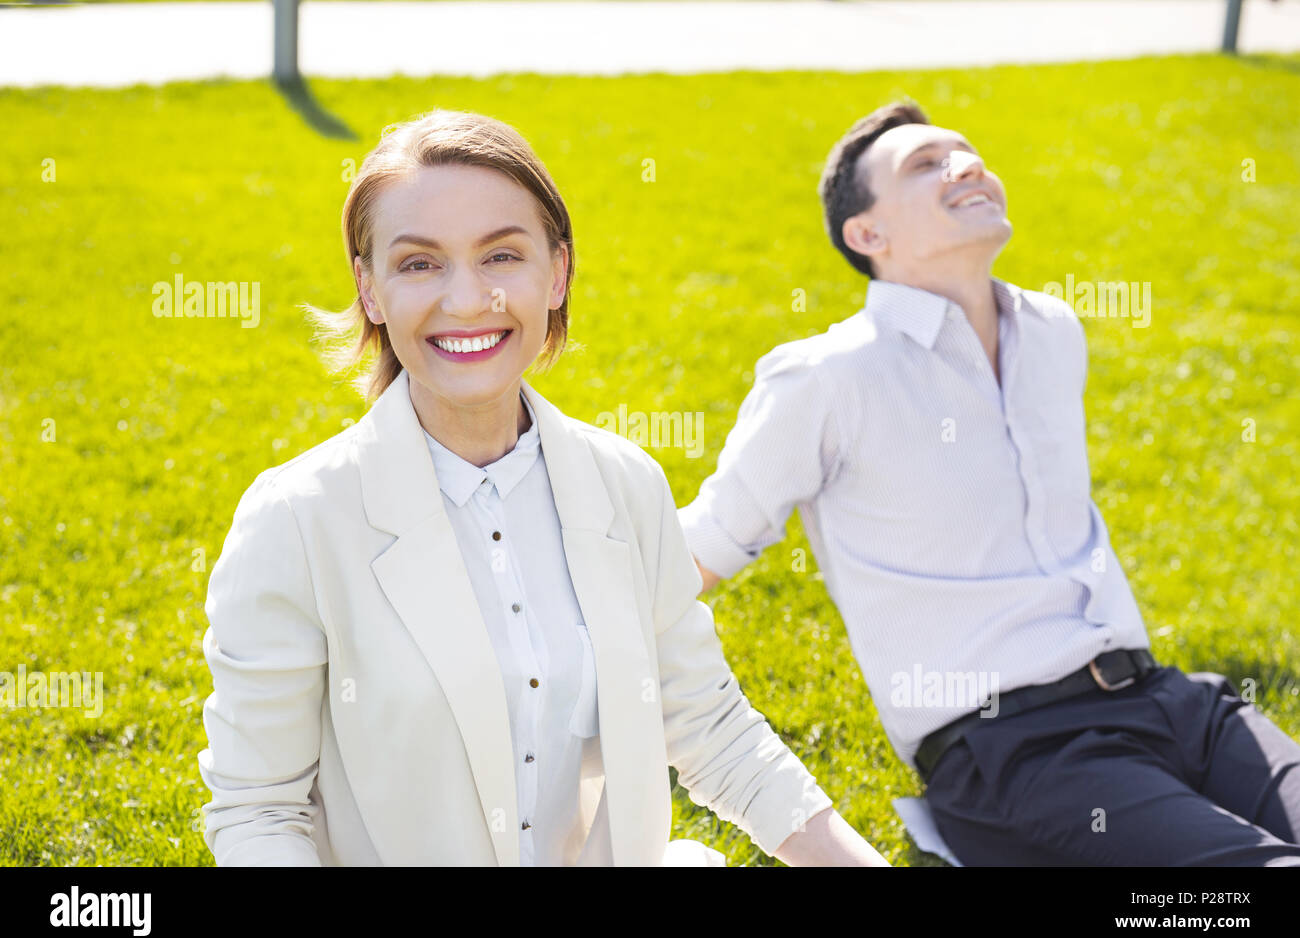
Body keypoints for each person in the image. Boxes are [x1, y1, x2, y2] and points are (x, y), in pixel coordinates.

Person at [196, 108, 889, 867]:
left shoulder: (626, 485)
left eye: (501, 257)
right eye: (419, 263)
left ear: (555, 274)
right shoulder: (295, 520)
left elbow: (712, 730)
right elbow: (260, 814)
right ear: (370, 289)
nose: (467, 300)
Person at [678, 100, 1300, 866]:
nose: (966, 166)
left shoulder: (1052, 331)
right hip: (1020, 753)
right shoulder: (827, 379)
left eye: (967, 153)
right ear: (867, 234)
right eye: (925, 165)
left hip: (1176, 702)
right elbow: (701, 549)